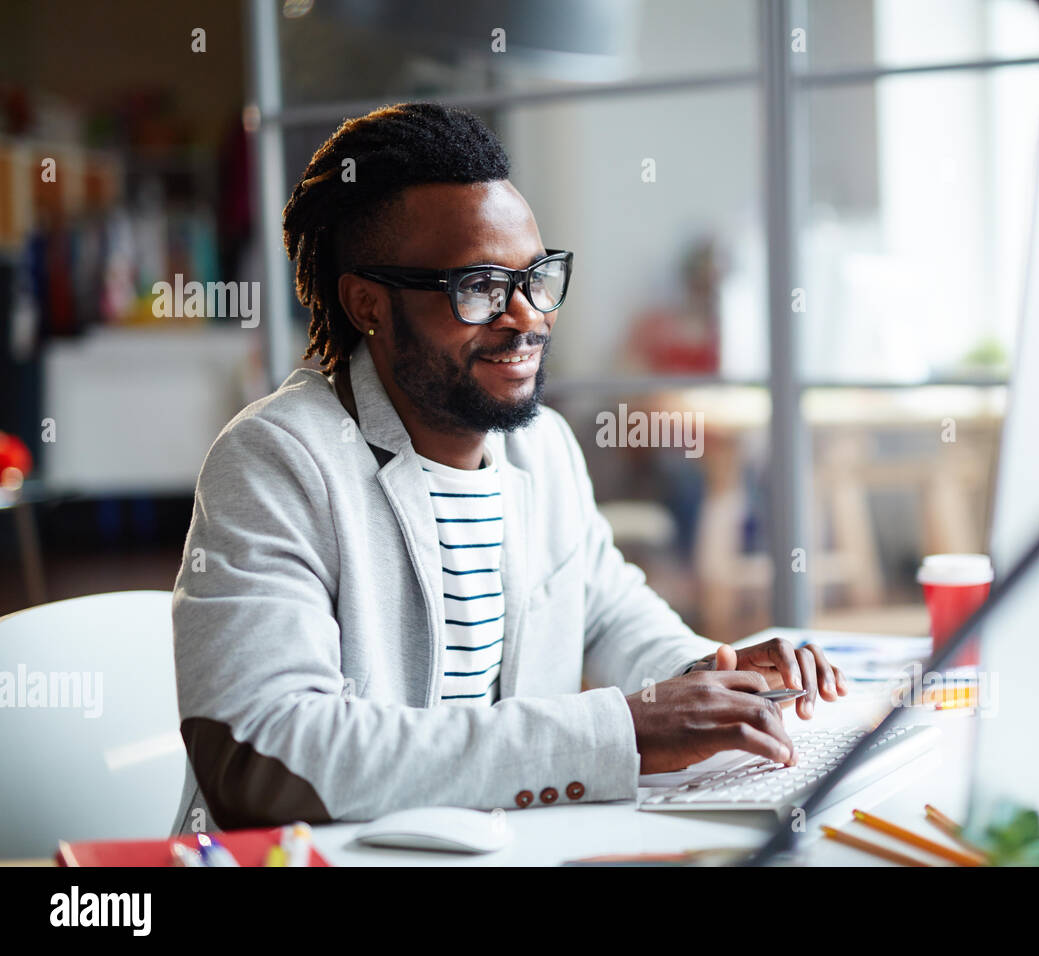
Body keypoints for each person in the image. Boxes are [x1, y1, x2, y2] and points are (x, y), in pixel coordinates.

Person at [171, 102, 846, 831]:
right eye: (481, 288)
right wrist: (619, 731)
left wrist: (710, 676)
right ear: (367, 303)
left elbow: (609, 612)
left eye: (537, 277)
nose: (527, 316)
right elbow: (263, 757)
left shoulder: (542, 447)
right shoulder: (276, 463)